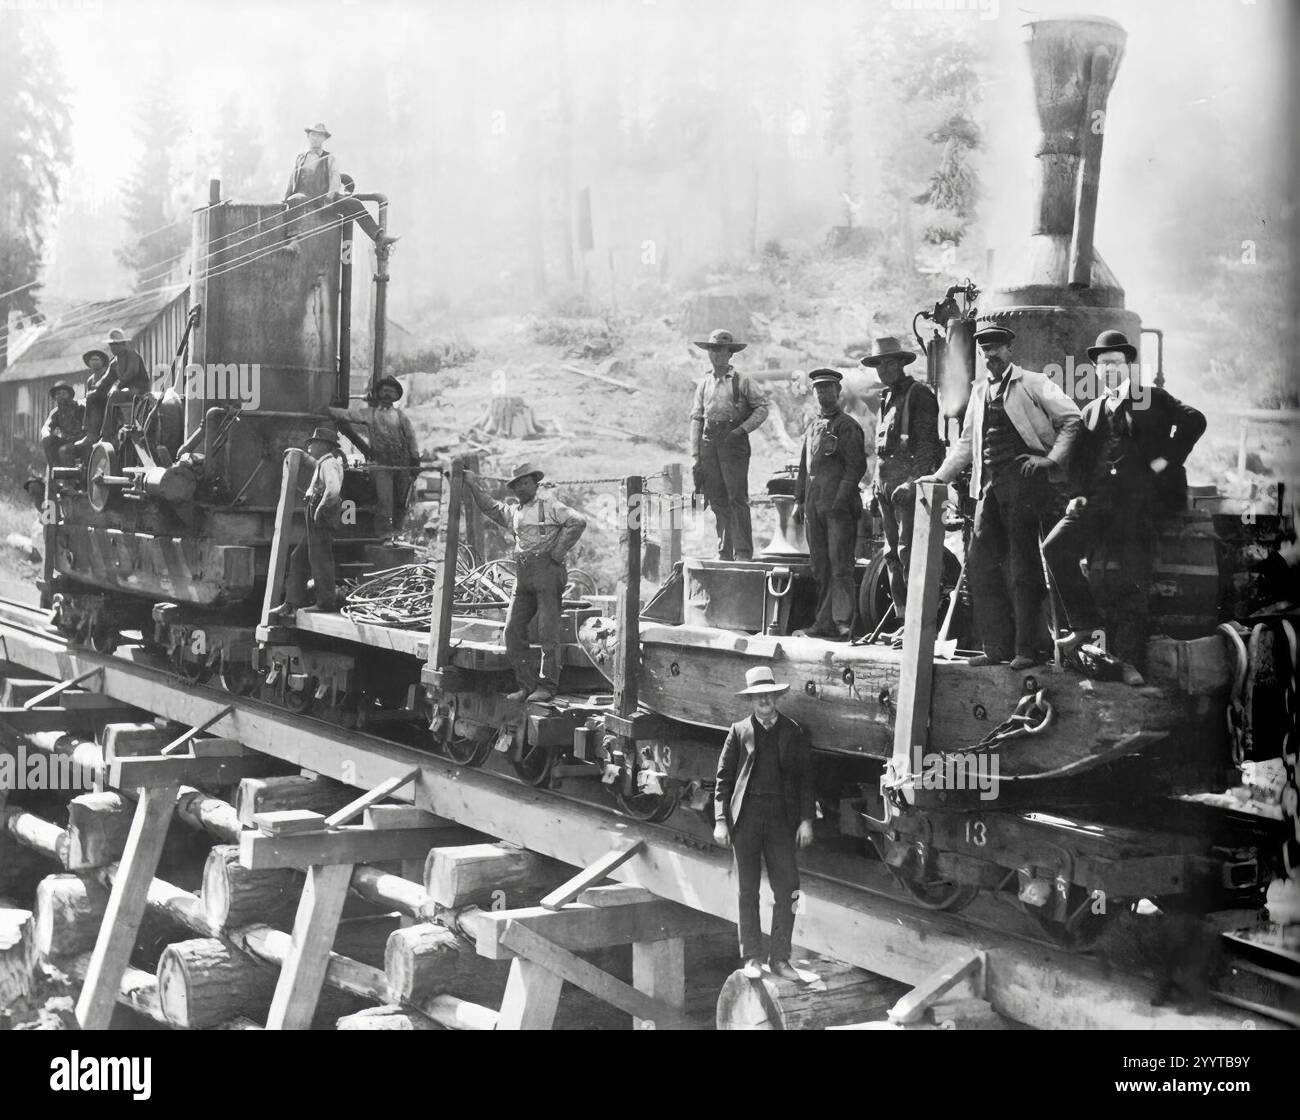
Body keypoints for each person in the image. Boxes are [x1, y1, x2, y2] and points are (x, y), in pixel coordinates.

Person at [1042, 329, 1207, 684]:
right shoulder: (1091, 410)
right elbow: (1083, 462)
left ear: (1129, 366)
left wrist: (1167, 461)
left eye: (1116, 362)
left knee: (1132, 582)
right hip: (1099, 503)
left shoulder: (1150, 397)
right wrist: (1078, 494)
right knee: (1054, 547)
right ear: (1096, 371)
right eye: (1103, 364)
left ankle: (1130, 665)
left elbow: (1195, 420)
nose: (1110, 369)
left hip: (1139, 504)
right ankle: (1084, 625)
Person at [916, 323, 1081, 669]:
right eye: (984, 350)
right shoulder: (979, 392)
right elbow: (965, 444)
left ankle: (1027, 649)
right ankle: (997, 648)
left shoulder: (1034, 383)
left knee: (1023, 567)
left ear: (1010, 350)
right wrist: (940, 476)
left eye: (996, 348)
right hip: (988, 489)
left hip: (1026, 486)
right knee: (980, 565)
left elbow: (1072, 419)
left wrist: (1050, 460)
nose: (990, 355)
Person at [713, 666, 815, 982]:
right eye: (758, 697)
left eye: (768, 696)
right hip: (746, 819)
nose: (764, 702)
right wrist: (720, 821)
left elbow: (805, 781)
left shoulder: (793, 731)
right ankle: (753, 958)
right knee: (748, 890)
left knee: (790, 889)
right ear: (752, 701)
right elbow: (723, 779)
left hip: (781, 821)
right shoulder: (738, 731)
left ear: (776, 697)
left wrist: (806, 820)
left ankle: (781, 958)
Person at [463, 464, 587, 703]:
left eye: (525, 482)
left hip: (547, 573)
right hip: (524, 576)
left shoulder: (550, 506)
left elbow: (577, 521)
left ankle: (547, 687)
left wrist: (558, 552)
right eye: (517, 484)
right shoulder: (514, 512)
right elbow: (489, 506)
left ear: (535, 483)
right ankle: (526, 686)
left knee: (546, 631)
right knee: (512, 629)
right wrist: (471, 483)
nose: (521, 487)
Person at [860, 336, 943, 633]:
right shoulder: (886, 398)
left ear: (901, 364)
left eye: (890, 363)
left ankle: (920, 624)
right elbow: (880, 451)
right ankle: (903, 618)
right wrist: (872, 487)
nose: (884, 370)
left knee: (909, 553)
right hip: (884, 485)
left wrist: (913, 482)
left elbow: (928, 447)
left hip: (906, 487)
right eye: (879, 365)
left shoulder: (919, 394)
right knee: (891, 555)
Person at [793, 368, 867, 640]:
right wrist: (799, 499)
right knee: (820, 567)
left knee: (840, 566)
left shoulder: (847, 425)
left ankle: (843, 623)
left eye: (828, 388)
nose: (823, 393)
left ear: (838, 392)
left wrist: (840, 500)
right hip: (814, 507)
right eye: (819, 388)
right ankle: (823, 623)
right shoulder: (813, 426)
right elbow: (804, 466)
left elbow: (856, 467)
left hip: (838, 509)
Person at [688, 328, 769, 561]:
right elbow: (697, 418)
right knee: (716, 498)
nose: (716, 355)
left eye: (721, 350)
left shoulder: (743, 381)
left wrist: (742, 430)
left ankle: (743, 552)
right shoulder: (703, 383)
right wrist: (696, 456)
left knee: (737, 498)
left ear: (730, 354)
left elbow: (761, 408)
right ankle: (724, 550)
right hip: (709, 442)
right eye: (712, 350)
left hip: (733, 442)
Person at [329, 375, 420, 538]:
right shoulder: (369, 414)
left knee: (401, 500)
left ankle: (398, 531)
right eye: (385, 391)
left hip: (402, 465)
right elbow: (348, 415)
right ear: (379, 393)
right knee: (384, 500)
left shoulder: (401, 416)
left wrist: (415, 458)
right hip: (381, 465)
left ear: (395, 396)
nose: (387, 395)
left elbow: (411, 438)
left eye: (391, 392)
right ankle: (383, 533)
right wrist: (327, 410)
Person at [269, 427, 347, 618]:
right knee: (299, 557)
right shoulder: (325, 462)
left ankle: (325, 603)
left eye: (314, 442)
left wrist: (320, 508)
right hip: (315, 515)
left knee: (320, 559)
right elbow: (314, 464)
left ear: (323, 445)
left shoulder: (329, 465)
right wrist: (300, 456)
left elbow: (333, 490)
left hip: (320, 515)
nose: (310, 445)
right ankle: (291, 603)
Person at [284, 123, 398, 250]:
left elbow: (334, 181)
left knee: (354, 203)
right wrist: (286, 197)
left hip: (324, 196)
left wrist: (328, 199)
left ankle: (379, 237)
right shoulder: (300, 157)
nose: (316, 138)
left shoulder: (329, 158)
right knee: (293, 200)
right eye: (313, 134)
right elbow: (292, 179)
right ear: (308, 136)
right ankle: (294, 241)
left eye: (319, 136)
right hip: (305, 195)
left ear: (324, 139)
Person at [40, 383, 85, 467]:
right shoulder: (56, 413)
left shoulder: (80, 407)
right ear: (55, 397)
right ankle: (55, 471)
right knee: (48, 440)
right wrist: (46, 435)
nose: (61, 397)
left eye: (64, 394)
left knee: (63, 450)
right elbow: (46, 427)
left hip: (81, 441)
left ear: (70, 395)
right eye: (58, 394)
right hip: (66, 441)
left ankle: (68, 477)